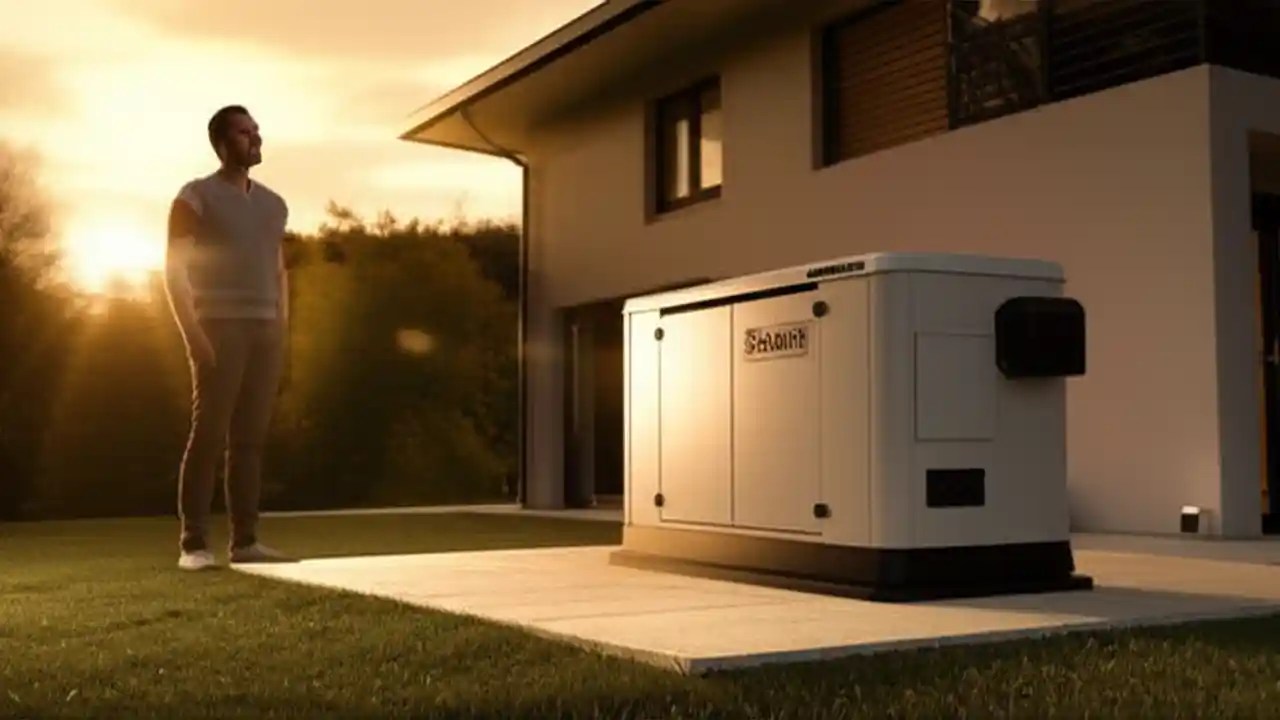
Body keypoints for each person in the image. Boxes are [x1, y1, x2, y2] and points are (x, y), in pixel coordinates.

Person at [165, 105, 293, 571]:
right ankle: (194, 544)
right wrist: (192, 334)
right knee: (209, 434)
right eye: (245, 132)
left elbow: (279, 271)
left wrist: (283, 329)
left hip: (265, 331)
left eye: (256, 129)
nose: (255, 137)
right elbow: (173, 270)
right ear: (221, 141)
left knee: (249, 441)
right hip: (218, 327)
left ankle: (246, 541)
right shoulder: (194, 198)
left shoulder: (274, 204)